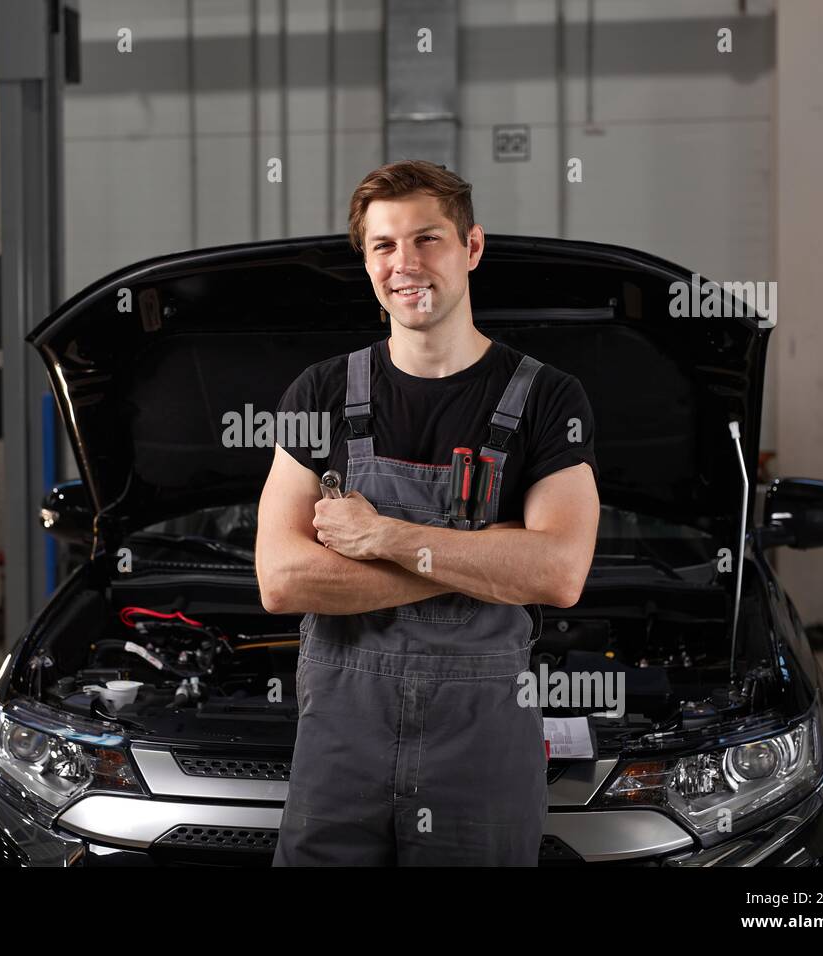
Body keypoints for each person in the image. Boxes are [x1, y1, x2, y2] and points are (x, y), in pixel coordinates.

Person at [256, 159, 600, 865]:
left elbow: (561, 571)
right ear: (366, 260)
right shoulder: (319, 393)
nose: (404, 264)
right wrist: (489, 556)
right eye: (383, 246)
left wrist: (383, 537)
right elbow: (282, 580)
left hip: (481, 744)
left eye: (428, 239)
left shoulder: (548, 399)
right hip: (339, 747)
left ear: (472, 247)